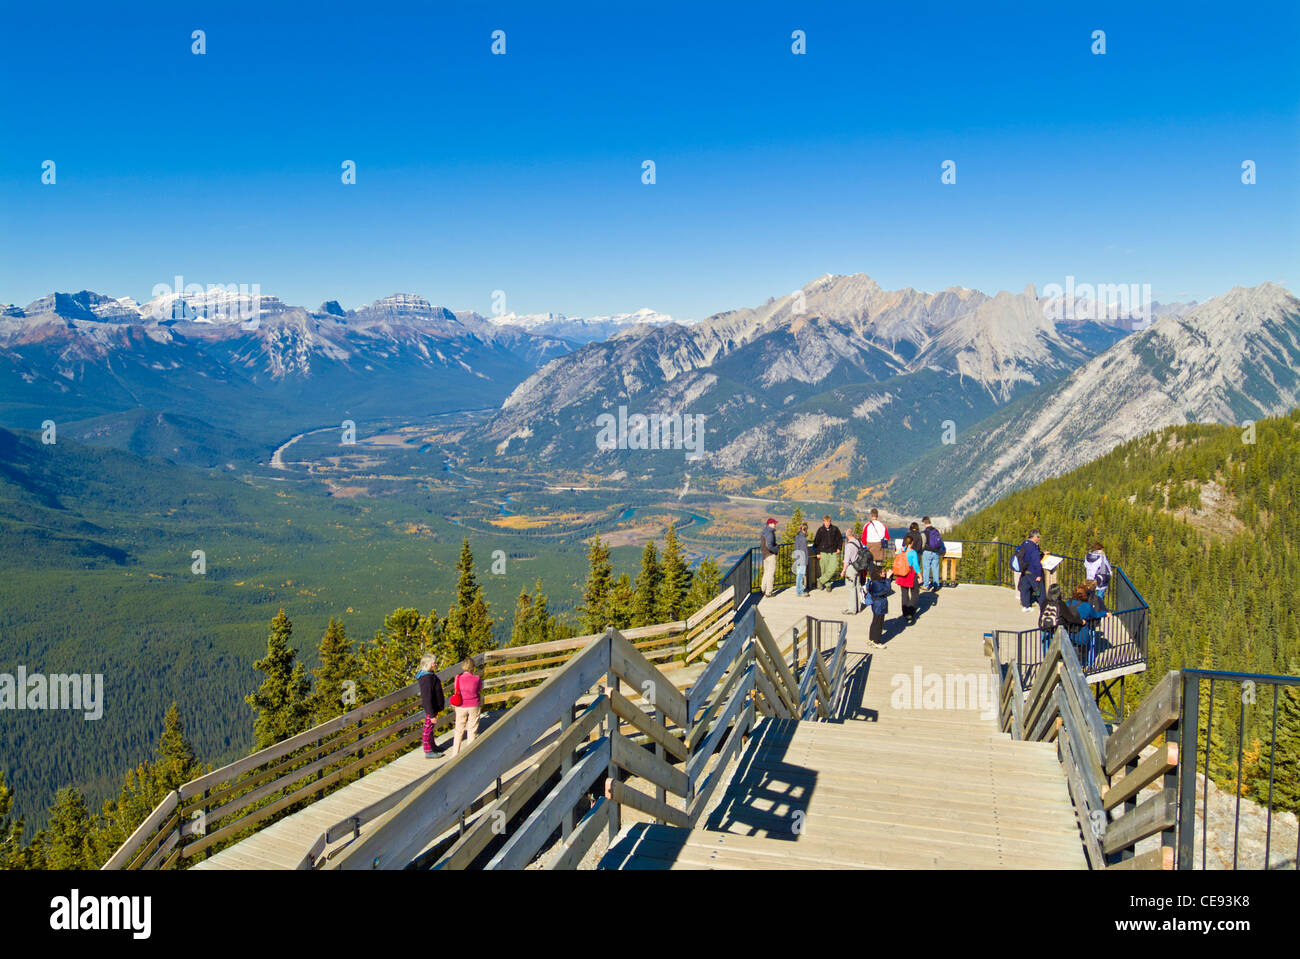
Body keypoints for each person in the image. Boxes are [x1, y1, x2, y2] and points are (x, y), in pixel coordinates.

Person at [450, 657, 482, 757]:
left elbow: (456, 688)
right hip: (473, 705)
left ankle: (455, 754)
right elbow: (480, 688)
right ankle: (469, 754)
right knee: (472, 729)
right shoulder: (477, 678)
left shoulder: (458, 678)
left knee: (459, 729)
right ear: (473, 667)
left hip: (460, 706)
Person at [1065, 584, 1102, 668]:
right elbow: (1095, 615)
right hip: (1081, 634)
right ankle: (1082, 666)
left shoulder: (1068, 603)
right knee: (1081, 651)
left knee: (1072, 650)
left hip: (1068, 631)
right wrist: (1105, 613)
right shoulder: (1087, 606)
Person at [417, 654, 445, 758]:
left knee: (430, 728)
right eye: (434, 663)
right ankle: (428, 750)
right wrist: (432, 714)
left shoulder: (429, 675)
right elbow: (426, 698)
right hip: (431, 709)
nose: (436, 664)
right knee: (427, 729)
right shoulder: (427, 679)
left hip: (433, 708)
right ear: (428, 664)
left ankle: (432, 746)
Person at [893, 532, 922, 624]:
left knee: (904, 593)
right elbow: (916, 565)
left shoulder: (900, 551)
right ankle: (910, 611)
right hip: (910, 573)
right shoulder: (912, 552)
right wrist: (920, 576)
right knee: (915, 593)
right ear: (911, 543)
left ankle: (905, 612)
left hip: (901, 574)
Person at [1015, 529, 1045, 612]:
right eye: (1038, 537)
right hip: (1033, 571)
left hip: (1025, 570)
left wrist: (1042, 553)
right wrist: (1039, 575)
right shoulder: (1033, 547)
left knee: (1025, 588)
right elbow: (1036, 562)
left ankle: (1026, 606)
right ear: (1035, 537)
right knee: (1040, 590)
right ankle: (1043, 608)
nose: (1039, 539)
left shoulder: (1025, 543)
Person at [812, 515, 844, 591]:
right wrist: (817, 552)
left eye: (828, 522)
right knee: (824, 569)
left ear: (830, 521)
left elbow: (840, 539)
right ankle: (828, 585)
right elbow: (816, 542)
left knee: (833, 568)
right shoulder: (820, 530)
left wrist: (839, 548)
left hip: (833, 552)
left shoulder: (835, 529)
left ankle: (820, 581)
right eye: (826, 522)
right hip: (823, 552)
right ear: (823, 522)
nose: (827, 523)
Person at [866, 566, 891, 648]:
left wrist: (887, 578)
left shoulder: (875, 581)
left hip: (877, 604)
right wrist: (887, 579)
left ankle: (871, 639)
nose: (885, 572)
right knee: (879, 623)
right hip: (879, 605)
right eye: (883, 571)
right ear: (878, 574)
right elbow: (887, 590)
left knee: (875, 621)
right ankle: (876, 641)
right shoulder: (877, 583)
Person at [920, 516, 944, 591]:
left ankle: (926, 585)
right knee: (935, 568)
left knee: (926, 568)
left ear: (924, 523)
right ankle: (936, 585)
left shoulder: (925, 532)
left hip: (927, 552)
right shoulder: (936, 531)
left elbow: (922, 544)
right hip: (936, 552)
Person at [759, 517, 779, 597]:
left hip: (765, 555)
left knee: (766, 573)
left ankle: (762, 589)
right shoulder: (770, 533)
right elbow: (769, 545)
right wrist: (776, 550)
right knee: (771, 574)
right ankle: (769, 592)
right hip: (770, 555)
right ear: (770, 524)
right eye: (774, 524)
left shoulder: (764, 532)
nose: (775, 525)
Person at [792, 522, 809, 596]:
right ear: (805, 530)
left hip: (798, 558)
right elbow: (804, 550)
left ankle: (799, 590)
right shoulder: (803, 538)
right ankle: (800, 591)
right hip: (802, 558)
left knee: (799, 574)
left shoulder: (797, 537)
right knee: (801, 575)